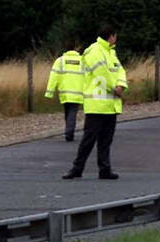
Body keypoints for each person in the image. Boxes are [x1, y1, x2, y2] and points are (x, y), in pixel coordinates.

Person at [62, 24, 127, 180]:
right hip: (97, 105)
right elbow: (101, 74)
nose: (116, 38)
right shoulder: (94, 51)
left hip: (110, 105)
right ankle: (77, 168)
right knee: (89, 139)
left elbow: (120, 71)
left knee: (106, 140)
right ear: (111, 36)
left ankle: (105, 169)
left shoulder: (111, 52)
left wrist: (121, 85)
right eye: (115, 35)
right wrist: (114, 88)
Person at [44, 42, 86, 141]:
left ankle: (69, 130)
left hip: (65, 92)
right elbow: (88, 76)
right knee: (73, 112)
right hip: (78, 92)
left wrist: (50, 92)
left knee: (68, 111)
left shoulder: (60, 61)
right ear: (76, 48)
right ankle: (69, 132)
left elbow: (53, 76)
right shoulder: (82, 61)